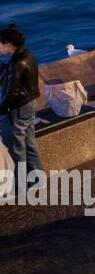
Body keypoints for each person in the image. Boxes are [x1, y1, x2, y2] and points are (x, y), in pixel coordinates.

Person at [0, 24, 42, 179]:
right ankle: (39, 179)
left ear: (8, 44)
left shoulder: (16, 63)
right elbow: (17, 75)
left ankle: (22, 183)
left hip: (20, 107)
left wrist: (2, 110)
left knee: (18, 147)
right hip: (30, 103)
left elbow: (12, 92)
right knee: (30, 142)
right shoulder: (27, 54)